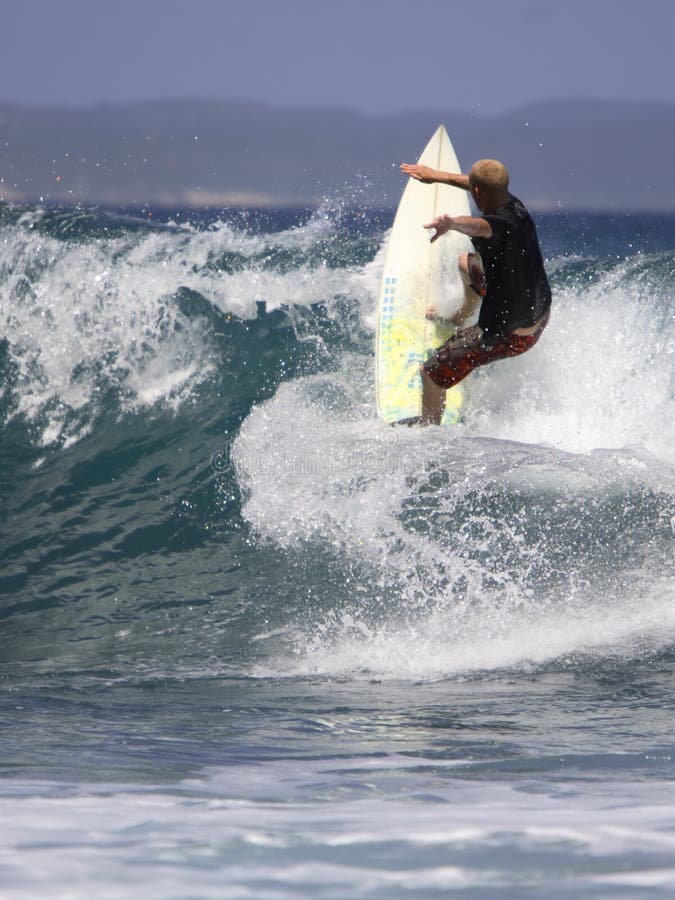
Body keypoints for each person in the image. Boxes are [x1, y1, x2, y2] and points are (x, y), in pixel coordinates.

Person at [398, 157, 552, 425]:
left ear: (477, 192)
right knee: (466, 264)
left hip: (512, 334)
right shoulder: (514, 205)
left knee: (430, 373)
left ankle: (428, 434)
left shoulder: (496, 225)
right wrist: (436, 175)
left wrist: (452, 223)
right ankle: (461, 315)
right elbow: (474, 185)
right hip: (539, 314)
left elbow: (478, 226)